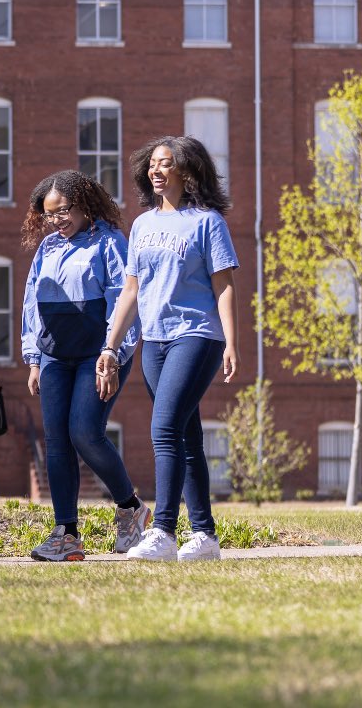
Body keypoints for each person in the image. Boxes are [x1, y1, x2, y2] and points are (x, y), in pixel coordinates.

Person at [102, 136, 238, 562]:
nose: (156, 171)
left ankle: (162, 531)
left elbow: (224, 285)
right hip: (154, 340)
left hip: (197, 335)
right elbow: (130, 291)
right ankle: (206, 537)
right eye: (152, 165)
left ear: (187, 171)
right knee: (187, 435)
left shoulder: (207, 222)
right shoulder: (141, 225)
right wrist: (109, 344)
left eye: (165, 164)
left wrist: (232, 341)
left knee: (164, 429)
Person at [21, 169, 149, 562]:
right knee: (56, 442)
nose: (57, 219)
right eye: (49, 213)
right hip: (55, 355)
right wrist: (33, 358)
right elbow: (32, 303)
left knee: (84, 432)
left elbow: (124, 300)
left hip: (98, 356)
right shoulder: (48, 248)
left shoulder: (110, 242)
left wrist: (114, 354)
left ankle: (131, 508)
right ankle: (67, 534)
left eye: (64, 210)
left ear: (84, 204)